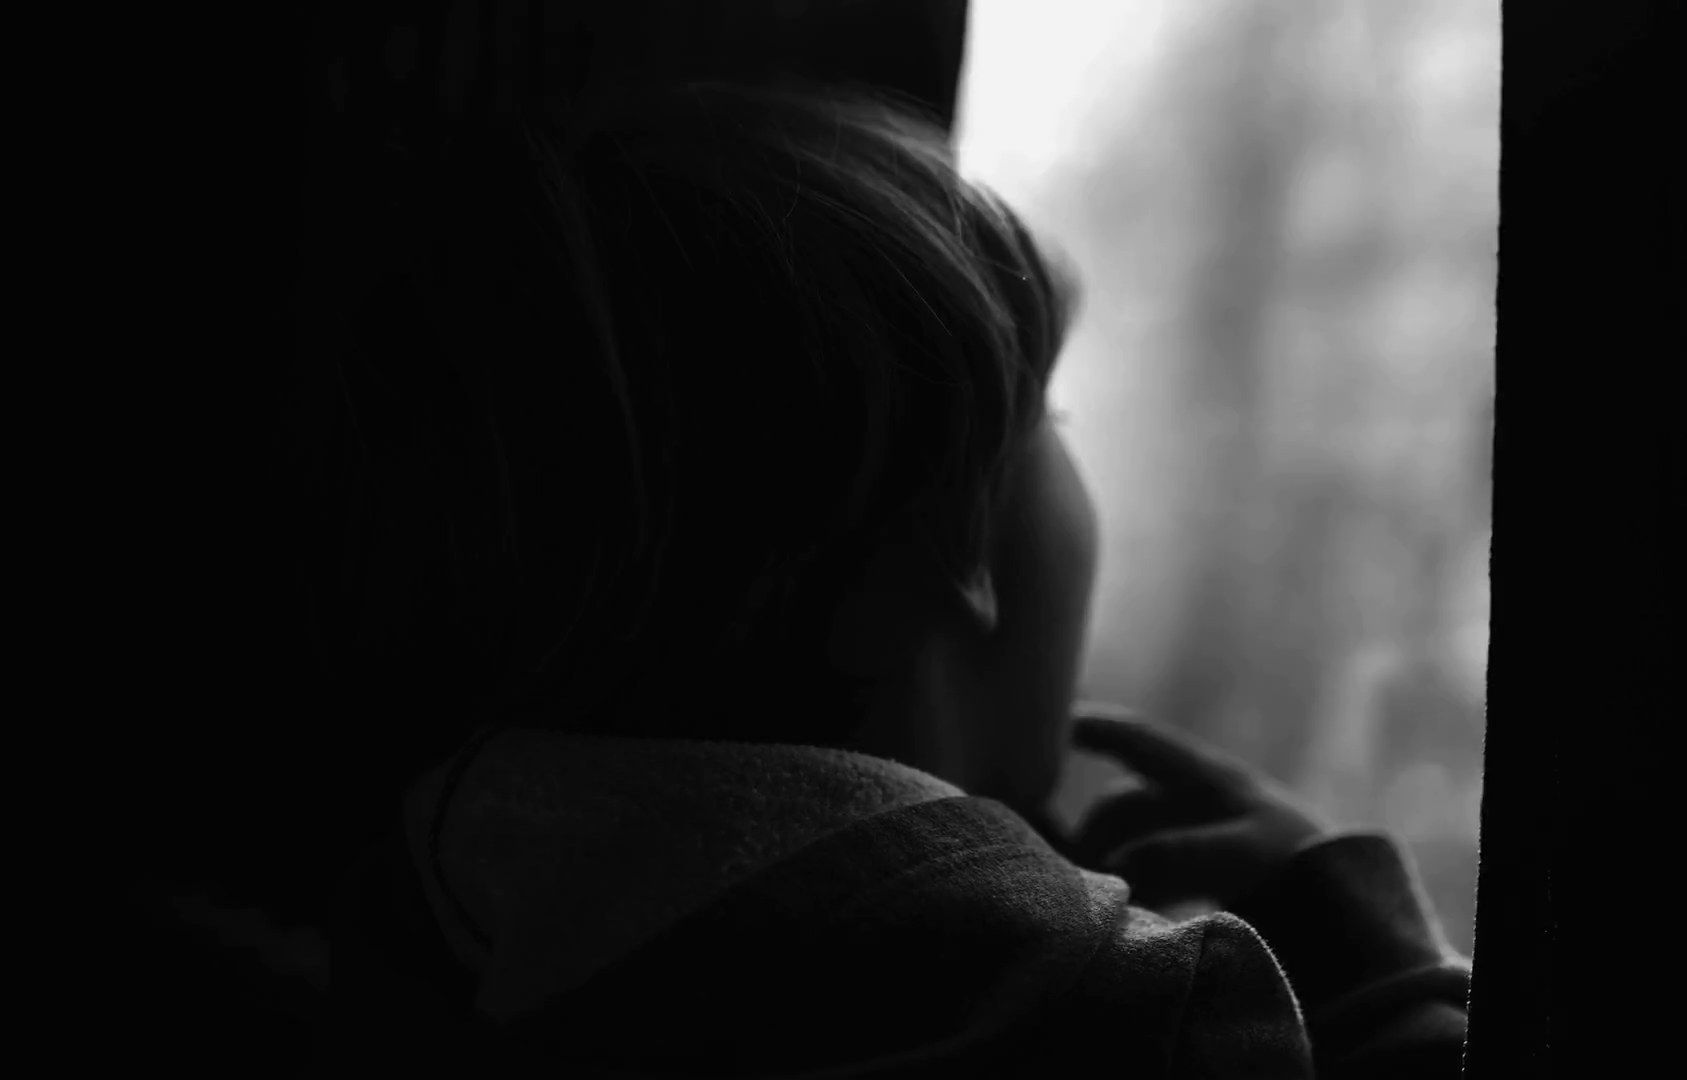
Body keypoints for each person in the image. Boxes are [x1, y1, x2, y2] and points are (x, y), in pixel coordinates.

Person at [297, 77, 1470, 1078]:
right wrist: (1364, 942)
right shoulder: (1110, 1006)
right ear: (942, 549)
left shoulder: (420, 910)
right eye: (1048, 417)